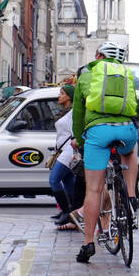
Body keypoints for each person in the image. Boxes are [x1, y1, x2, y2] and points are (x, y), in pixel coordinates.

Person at [73, 42, 139, 263]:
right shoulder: (125, 73)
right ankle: (131, 196)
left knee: (94, 189)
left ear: (99, 55)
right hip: (127, 130)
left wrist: (79, 137)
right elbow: (133, 104)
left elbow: (79, 112)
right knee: (128, 154)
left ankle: (88, 243)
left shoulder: (87, 73)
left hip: (98, 133)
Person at [48, 84, 82, 228]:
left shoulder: (73, 112)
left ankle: (67, 212)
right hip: (63, 150)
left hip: (69, 151)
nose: (59, 96)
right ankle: (71, 213)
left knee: (54, 180)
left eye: (62, 93)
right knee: (68, 182)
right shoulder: (64, 112)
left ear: (69, 96)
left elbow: (74, 132)